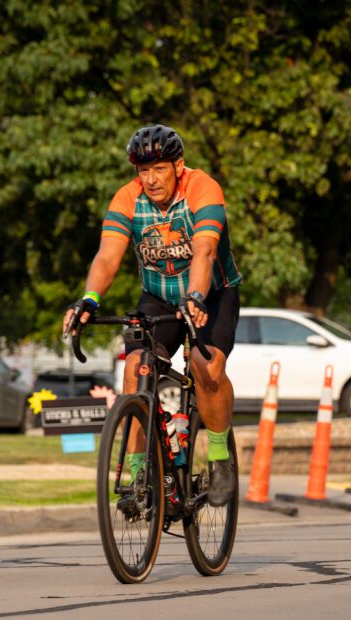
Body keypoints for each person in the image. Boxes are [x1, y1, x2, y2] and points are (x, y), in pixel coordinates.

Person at [62, 124, 243, 506]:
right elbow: (107, 256)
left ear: (178, 165)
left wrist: (196, 296)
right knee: (136, 369)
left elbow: (205, 251)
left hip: (211, 292)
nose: (151, 179)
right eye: (143, 171)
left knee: (206, 366)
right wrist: (89, 298)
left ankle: (219, 454)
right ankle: (140, 473)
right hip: (158, 297)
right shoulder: (128, 198)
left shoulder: (202, 188)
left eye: (159, 169)